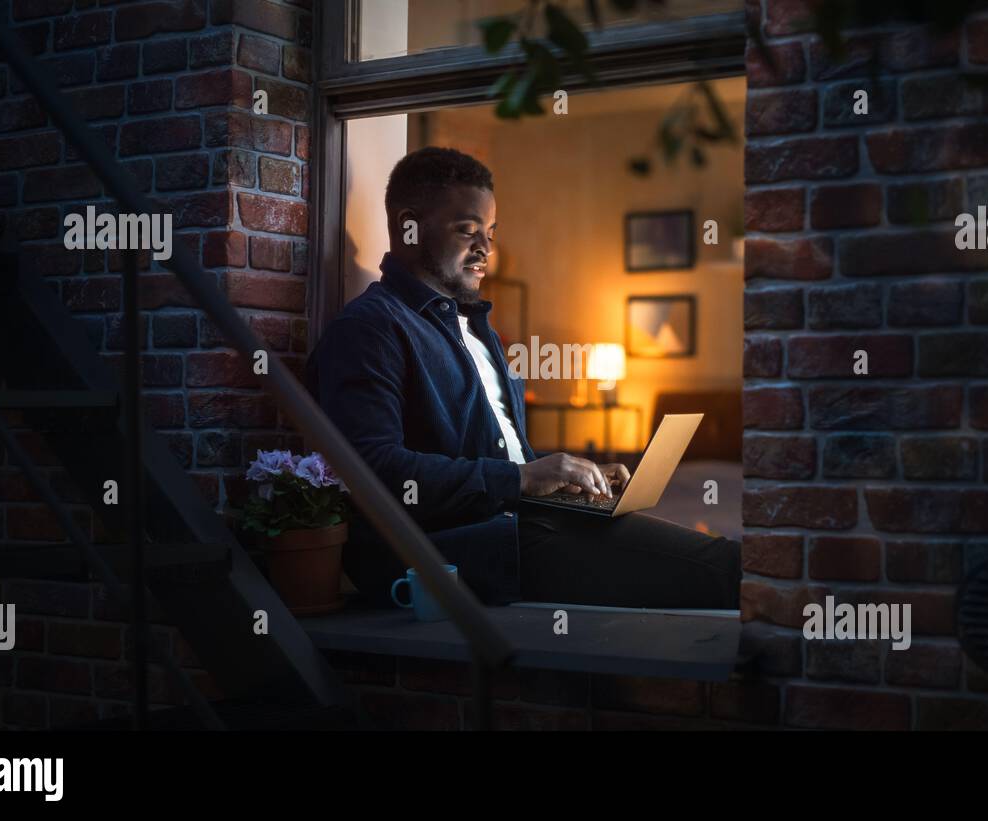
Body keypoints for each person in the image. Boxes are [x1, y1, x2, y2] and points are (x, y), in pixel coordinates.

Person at [306, 147, 740, 610]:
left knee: (728, 560)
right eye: (468, 231)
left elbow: (503, 458)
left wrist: (561, 479)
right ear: (409, 226)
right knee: (725, 571)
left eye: (490, 233)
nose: (486, 249)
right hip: (468, 547)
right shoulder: (370, 328)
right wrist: (521, 479)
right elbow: (373, 471)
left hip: (526, 523)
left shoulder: (479, 330)